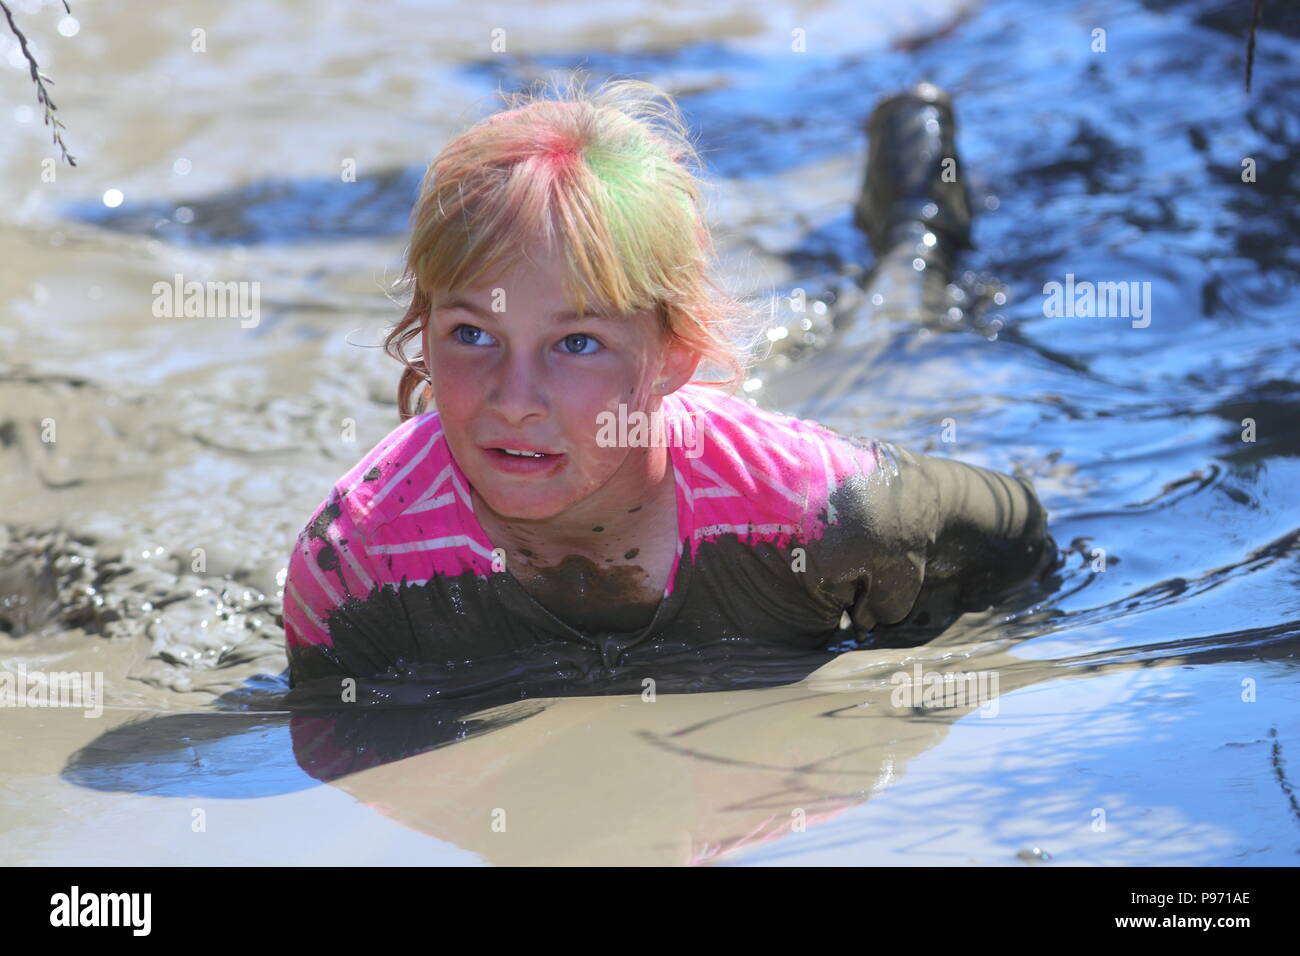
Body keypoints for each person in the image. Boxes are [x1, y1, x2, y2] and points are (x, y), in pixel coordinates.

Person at [282, 74, 1057, 694]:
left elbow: (1024, 536)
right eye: (472, 334)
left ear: (676, 353)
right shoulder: (357, 567)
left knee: (896, 310)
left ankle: (918, 215)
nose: (513, 401)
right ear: (421, 334)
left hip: (766, 462)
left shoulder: (831, 514)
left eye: (577, 342)